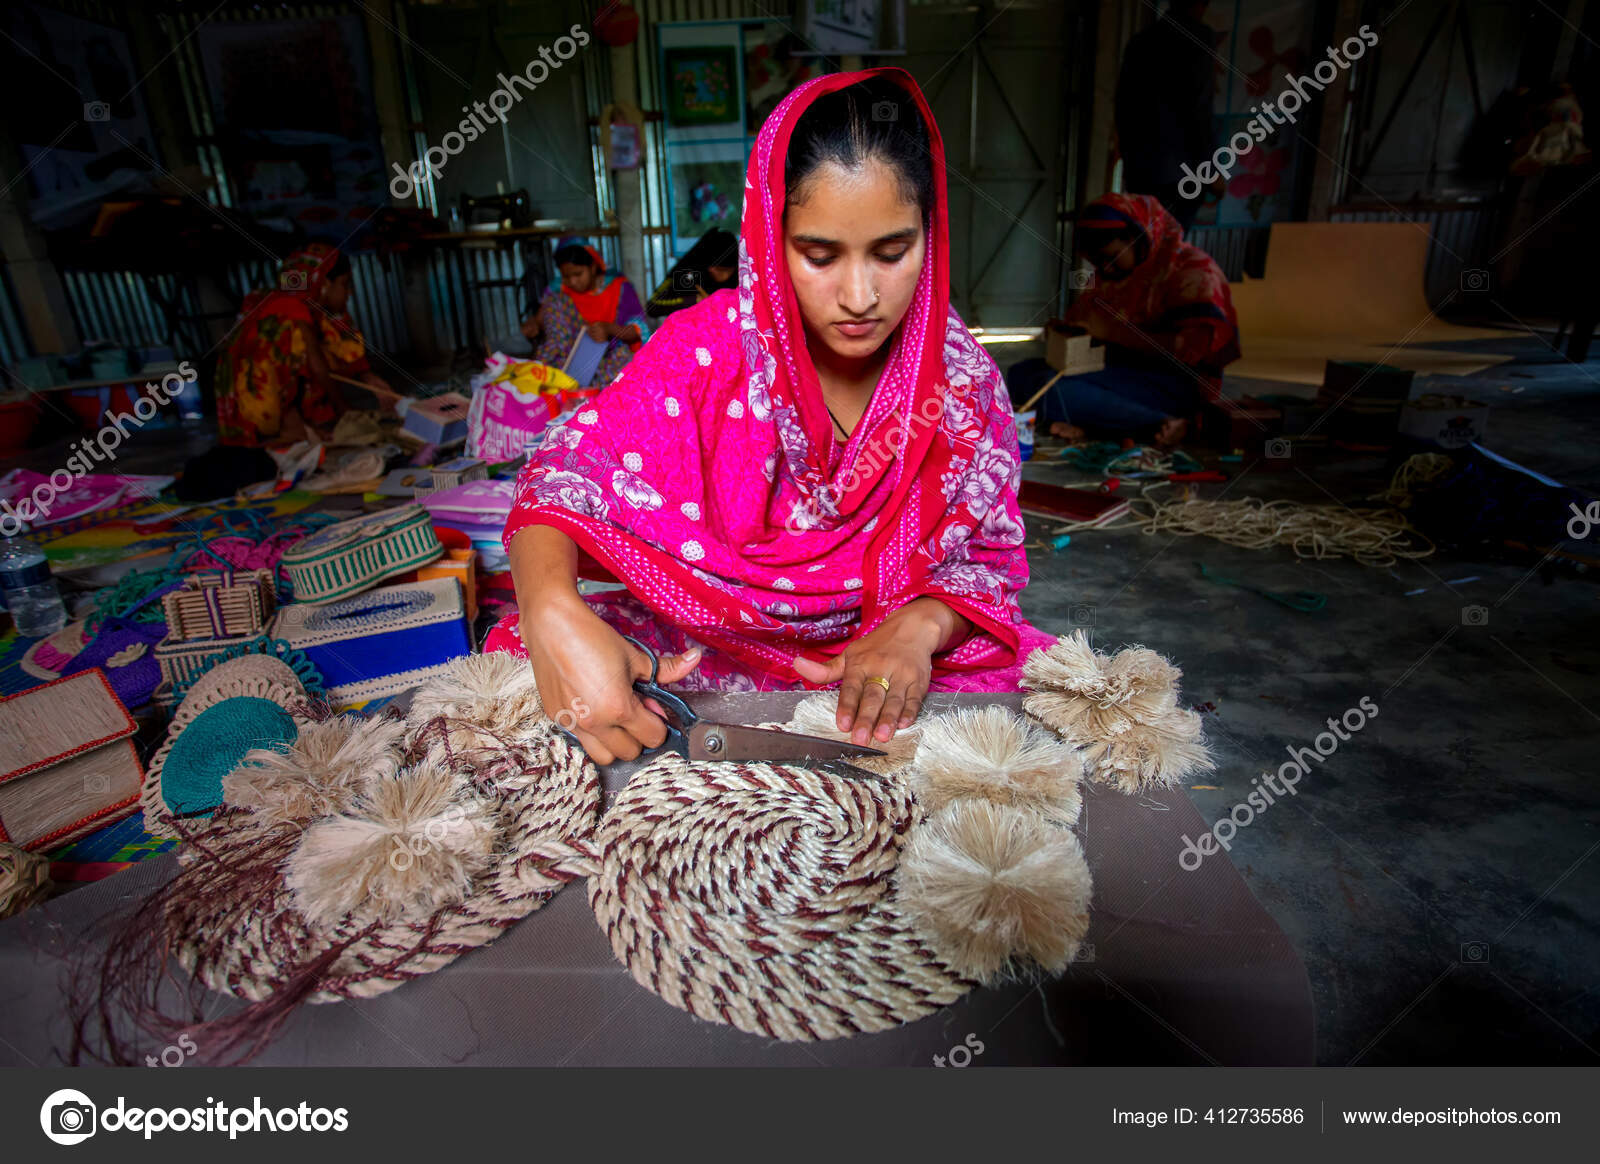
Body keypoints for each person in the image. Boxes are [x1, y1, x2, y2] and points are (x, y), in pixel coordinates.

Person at [488, 69, 1054, 762]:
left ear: (930, 238)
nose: (859, 295)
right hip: (710, 639)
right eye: (819, 255)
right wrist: (550, 608)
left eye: (892, 251)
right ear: (768, 238)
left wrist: (920, 629)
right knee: (529, 663)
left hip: (883, 655)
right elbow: (564, 472)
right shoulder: (708, 350)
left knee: (1023, 702)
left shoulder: (961, 383)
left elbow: (988, 563)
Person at [1014, 192, 1239, 448]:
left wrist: (1113, 333)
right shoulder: (1112, 276)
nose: (1106, 268)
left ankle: (1164, 425)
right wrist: (1066, 333)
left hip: (1177, 385)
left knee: (1052, 390)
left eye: (1112, 256)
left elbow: (1195, 353)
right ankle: (1102, 418)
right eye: (1098, 261)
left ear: (1137, 238)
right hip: (1122, 374)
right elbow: (1088, 324)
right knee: (1021, 373)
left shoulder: (1191, 270)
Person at [215, 244, 391, 446]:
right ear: (323, 283)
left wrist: (368, 377)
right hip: (257, 403)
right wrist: (344, 409)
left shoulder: (282, 304)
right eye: (345, 284)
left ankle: (297, 429)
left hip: (254, 398)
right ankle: (285, 433)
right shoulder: (293, 309)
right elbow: (318, 368)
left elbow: (335, 351)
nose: (349, 293)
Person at [1114, 0, 1217, 231]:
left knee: (1145, 241)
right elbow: (1199, 109)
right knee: (1170, 246)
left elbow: (1123, 105)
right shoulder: (1199, 38)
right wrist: (1211, 169)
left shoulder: (1140, 41)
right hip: (1182, 172)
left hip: (1141, 169)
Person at [505, 237, 650, 389]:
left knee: (627, 363)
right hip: (568, 362)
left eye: (578, 274)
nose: (573, 282)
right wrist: (534, 324)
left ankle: (581, 390)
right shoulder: (559, 290)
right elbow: (541, 318)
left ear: (593, 267)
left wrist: (609, 329)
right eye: (566, 277)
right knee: (555, 302)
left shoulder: (618, 288)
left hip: (607, 360)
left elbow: (637, 331)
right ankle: (548, 379)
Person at [646, 227, 739, 317]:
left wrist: (716, 304)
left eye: (721, 269)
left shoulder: (744, 281)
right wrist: (694, 300)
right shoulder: (691, 270)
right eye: (709, 265)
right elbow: (652, 306)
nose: (711, 270)